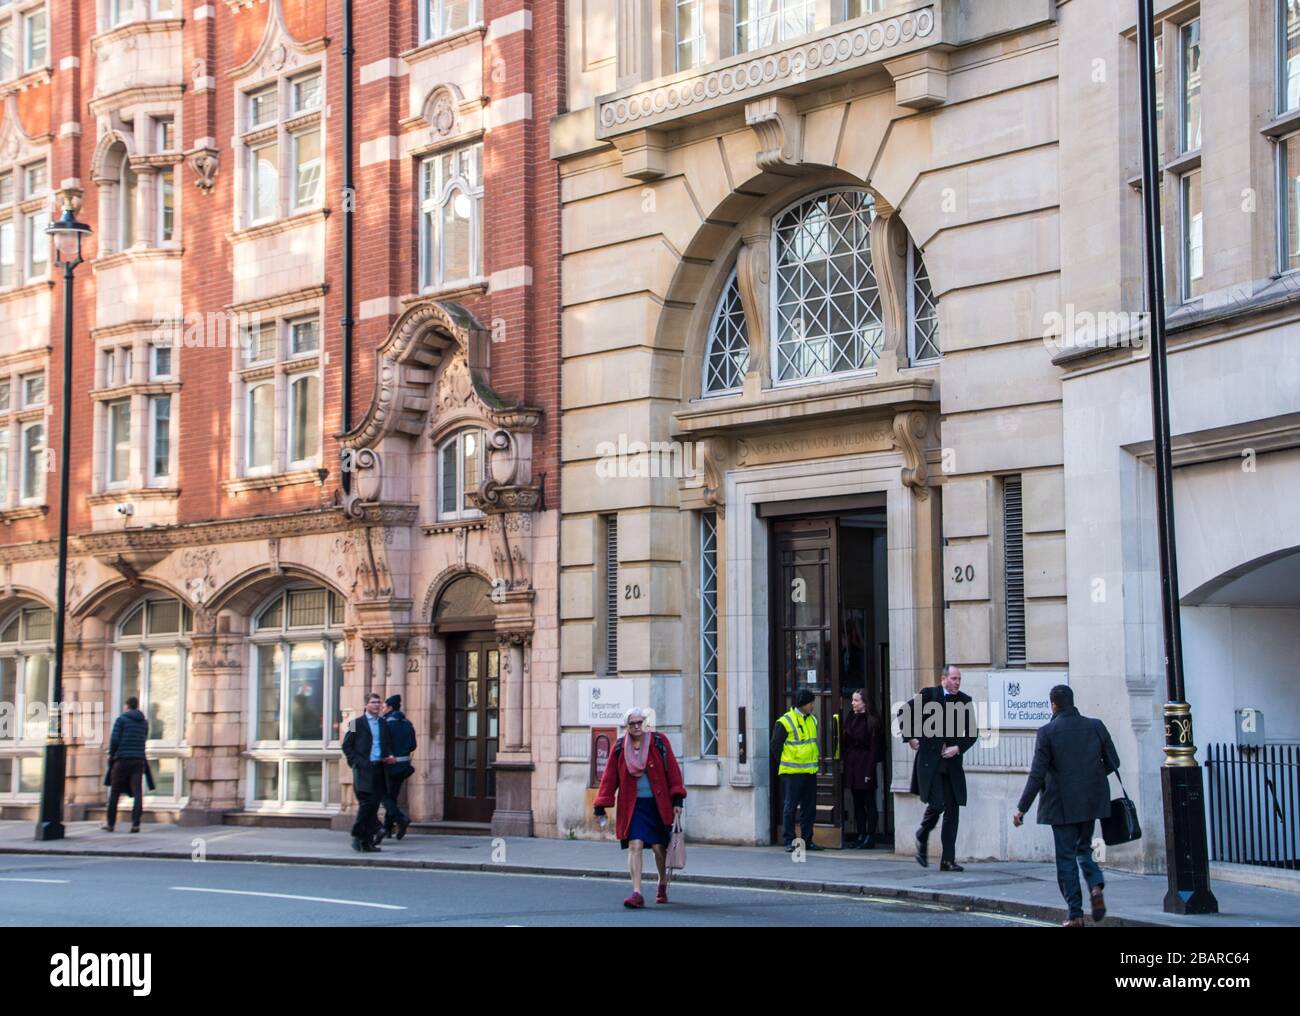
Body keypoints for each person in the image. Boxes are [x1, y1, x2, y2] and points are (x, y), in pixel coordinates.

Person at [1013, 684, 1121, 927]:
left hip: (1061, 805)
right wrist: (1091, 778)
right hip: (1091, 802)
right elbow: (1114, 761)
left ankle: (1075, 914)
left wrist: (1022, 808)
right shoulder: (1095, 726)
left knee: (1066, 858)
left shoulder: (1047, 732)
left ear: (1053, 705)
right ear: (1073, 702)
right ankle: (1095, 886)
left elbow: (1037, 775)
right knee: (1083, 848)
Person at [593, 707, 686, 908]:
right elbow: (609, 778)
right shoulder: (619, 747)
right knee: (634, 845)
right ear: (626, 726)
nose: (636, 726)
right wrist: (601, 805)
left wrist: (678, 799)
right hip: (632, 806)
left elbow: (673, 770)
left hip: (657, 805)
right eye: (632, 723)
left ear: (644, 723)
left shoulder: (658, 742)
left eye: (639, 722)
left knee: (658, 847)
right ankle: (636, 892)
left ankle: (661, 883)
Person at [903, 665, 977, 870]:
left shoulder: (964, 701)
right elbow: (905, 711)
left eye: (959, 679)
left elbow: (972, 734)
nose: (957, 683)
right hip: (931, 764)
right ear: (943, 679)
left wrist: (957, 748)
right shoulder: (929, 694)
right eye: (954, 679)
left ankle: (948, 859)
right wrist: (910, 738)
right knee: (937, 804)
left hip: (951, 764)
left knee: (953, 812)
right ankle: (922, 834)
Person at [771, 688, 824, 853]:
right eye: (810, 703)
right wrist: (784, 762)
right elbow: (775, 745)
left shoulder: (812, 720)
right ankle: (789, 840)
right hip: (792, 773)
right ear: (802, 704)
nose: (812, 706)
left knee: (809, 808)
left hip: (809, 771)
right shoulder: (785, 721)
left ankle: (807, 840)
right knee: (790, 807)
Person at [341, 693, 393, 852]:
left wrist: (388, 755)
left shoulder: (384, 723)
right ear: (366, 705)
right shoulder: (354, 723)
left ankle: (365, 842)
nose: (377, 705)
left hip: (379, 768)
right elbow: (346, 745)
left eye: (379, 702)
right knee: (366, 803)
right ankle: (358, 833)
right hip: (363, 768)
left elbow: (387, 743)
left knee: (374, 806)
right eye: (373, 702)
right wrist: (356, 762)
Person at [103, 697, 151, 833]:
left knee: (115, 792)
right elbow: (144, 739)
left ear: (127, 706)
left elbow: (115, 739)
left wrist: (112, 755)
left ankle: (111, 824)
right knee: (137, 792)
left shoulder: (121, 720)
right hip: (138, 760)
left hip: (122, 759)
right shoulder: (144, 722)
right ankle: (136, 824)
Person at [843, 689, 882, 849]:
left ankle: (870, 836)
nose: (853, 703)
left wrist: (869, 772)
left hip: (865, 764)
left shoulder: (872, 721)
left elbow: (874, 749)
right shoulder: (850, 717)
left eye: (856, 700)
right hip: (852, 764)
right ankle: (860, 833)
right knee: (857, 802)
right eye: (852, 700)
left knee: (869, 802)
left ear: (864, 702)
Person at [378, 694, 417, 843]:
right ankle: (388, 827)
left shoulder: (386, 723)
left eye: (384, 706)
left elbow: (382, 743)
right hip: (403, 765)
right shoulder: (407, 723)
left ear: (390, 707)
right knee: (392, 796)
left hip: (389, 765)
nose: (383, 709)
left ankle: (400, 819)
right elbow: (413, 745)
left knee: (384, 795)